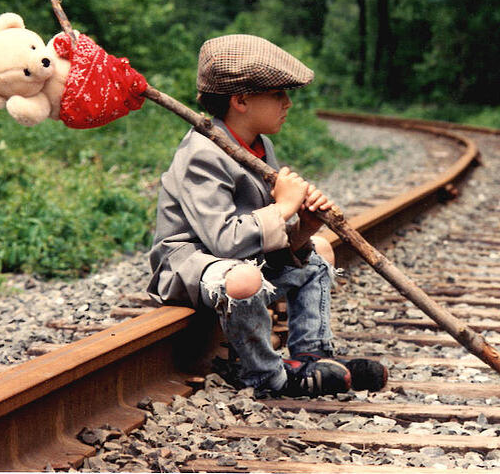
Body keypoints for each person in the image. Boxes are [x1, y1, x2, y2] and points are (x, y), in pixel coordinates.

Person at [147, 34, 386, 397]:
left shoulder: (260, 144)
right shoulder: (202, 152)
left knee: (320, 251)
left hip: (242, 260)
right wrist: (283, 207)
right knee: (244, 280)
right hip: (192, 264)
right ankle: (267, 375)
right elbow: (224, 240)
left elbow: (263, 237)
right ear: (241, 100)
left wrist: (303, 228)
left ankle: (312, 355)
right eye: (277, 94)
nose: (288, 103)